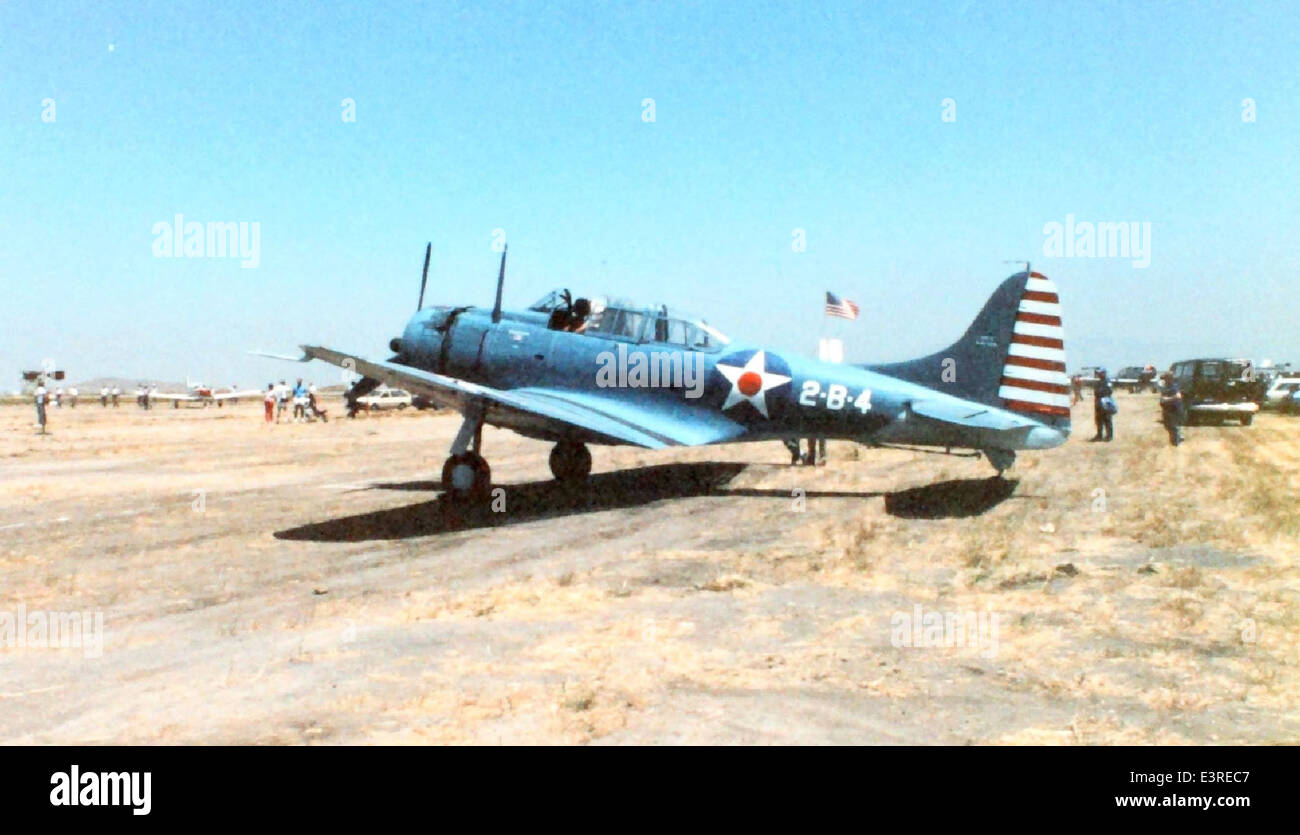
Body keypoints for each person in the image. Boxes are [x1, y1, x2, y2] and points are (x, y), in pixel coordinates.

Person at [1159, 370, 1184, 446]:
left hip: (1173, 409)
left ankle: (1176, 443)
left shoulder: (1174, 386)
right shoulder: (1165, 387)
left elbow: (1178, 396)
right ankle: (1178, 438)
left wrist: (1167, 399)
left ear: (1170, 378)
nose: (1164, 380)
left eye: (1166, 378)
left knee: (1174, 427)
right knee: (1168, 426)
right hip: (1167, 409)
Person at [1091, 368, 1114, 442]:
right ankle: (1099, 435)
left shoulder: (1108, 381)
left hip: (1106, 403)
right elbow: (1095, 392)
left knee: (1107, 419)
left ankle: (1109, 436)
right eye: (1098, 373)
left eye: (1100, 373)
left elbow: (1109, 391)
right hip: (1098, 403)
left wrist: (1101, 392)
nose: (1098, 374)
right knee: (1099, 420)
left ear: (1104, 373)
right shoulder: (1098, 382)